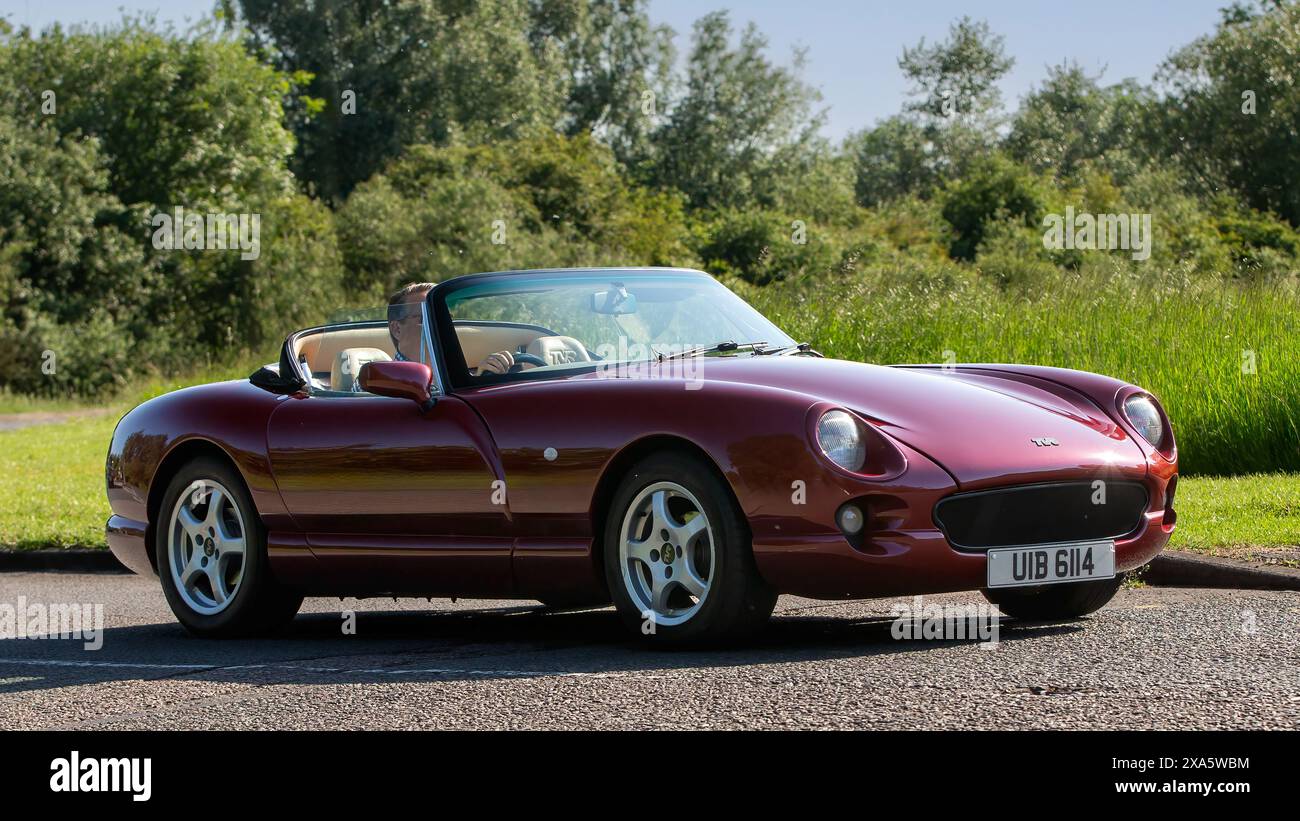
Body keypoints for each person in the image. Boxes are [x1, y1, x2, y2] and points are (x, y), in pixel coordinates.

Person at [387, 282, 516, 374]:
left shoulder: (449, 374)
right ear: (397, 329)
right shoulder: (388, 383)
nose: (439, 325)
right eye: (426, 319)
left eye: (444, 318)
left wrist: (481, 377)